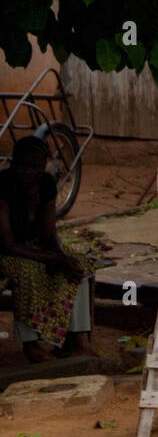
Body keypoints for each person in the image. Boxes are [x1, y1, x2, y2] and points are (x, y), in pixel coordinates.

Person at [0, 136, 98, 362]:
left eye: (35, 166)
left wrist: (62, 258)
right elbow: (8, 244)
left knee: (79, 268)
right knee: (28, 273)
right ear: (13, 163)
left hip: (33, 248)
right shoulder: (3, 185)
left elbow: (48, 233)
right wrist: (52, 259)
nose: (28, 171)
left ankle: (80, 340)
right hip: (6, 253)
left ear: (43, 165)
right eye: (23, 165)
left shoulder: (45, 184)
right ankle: (31, 346)